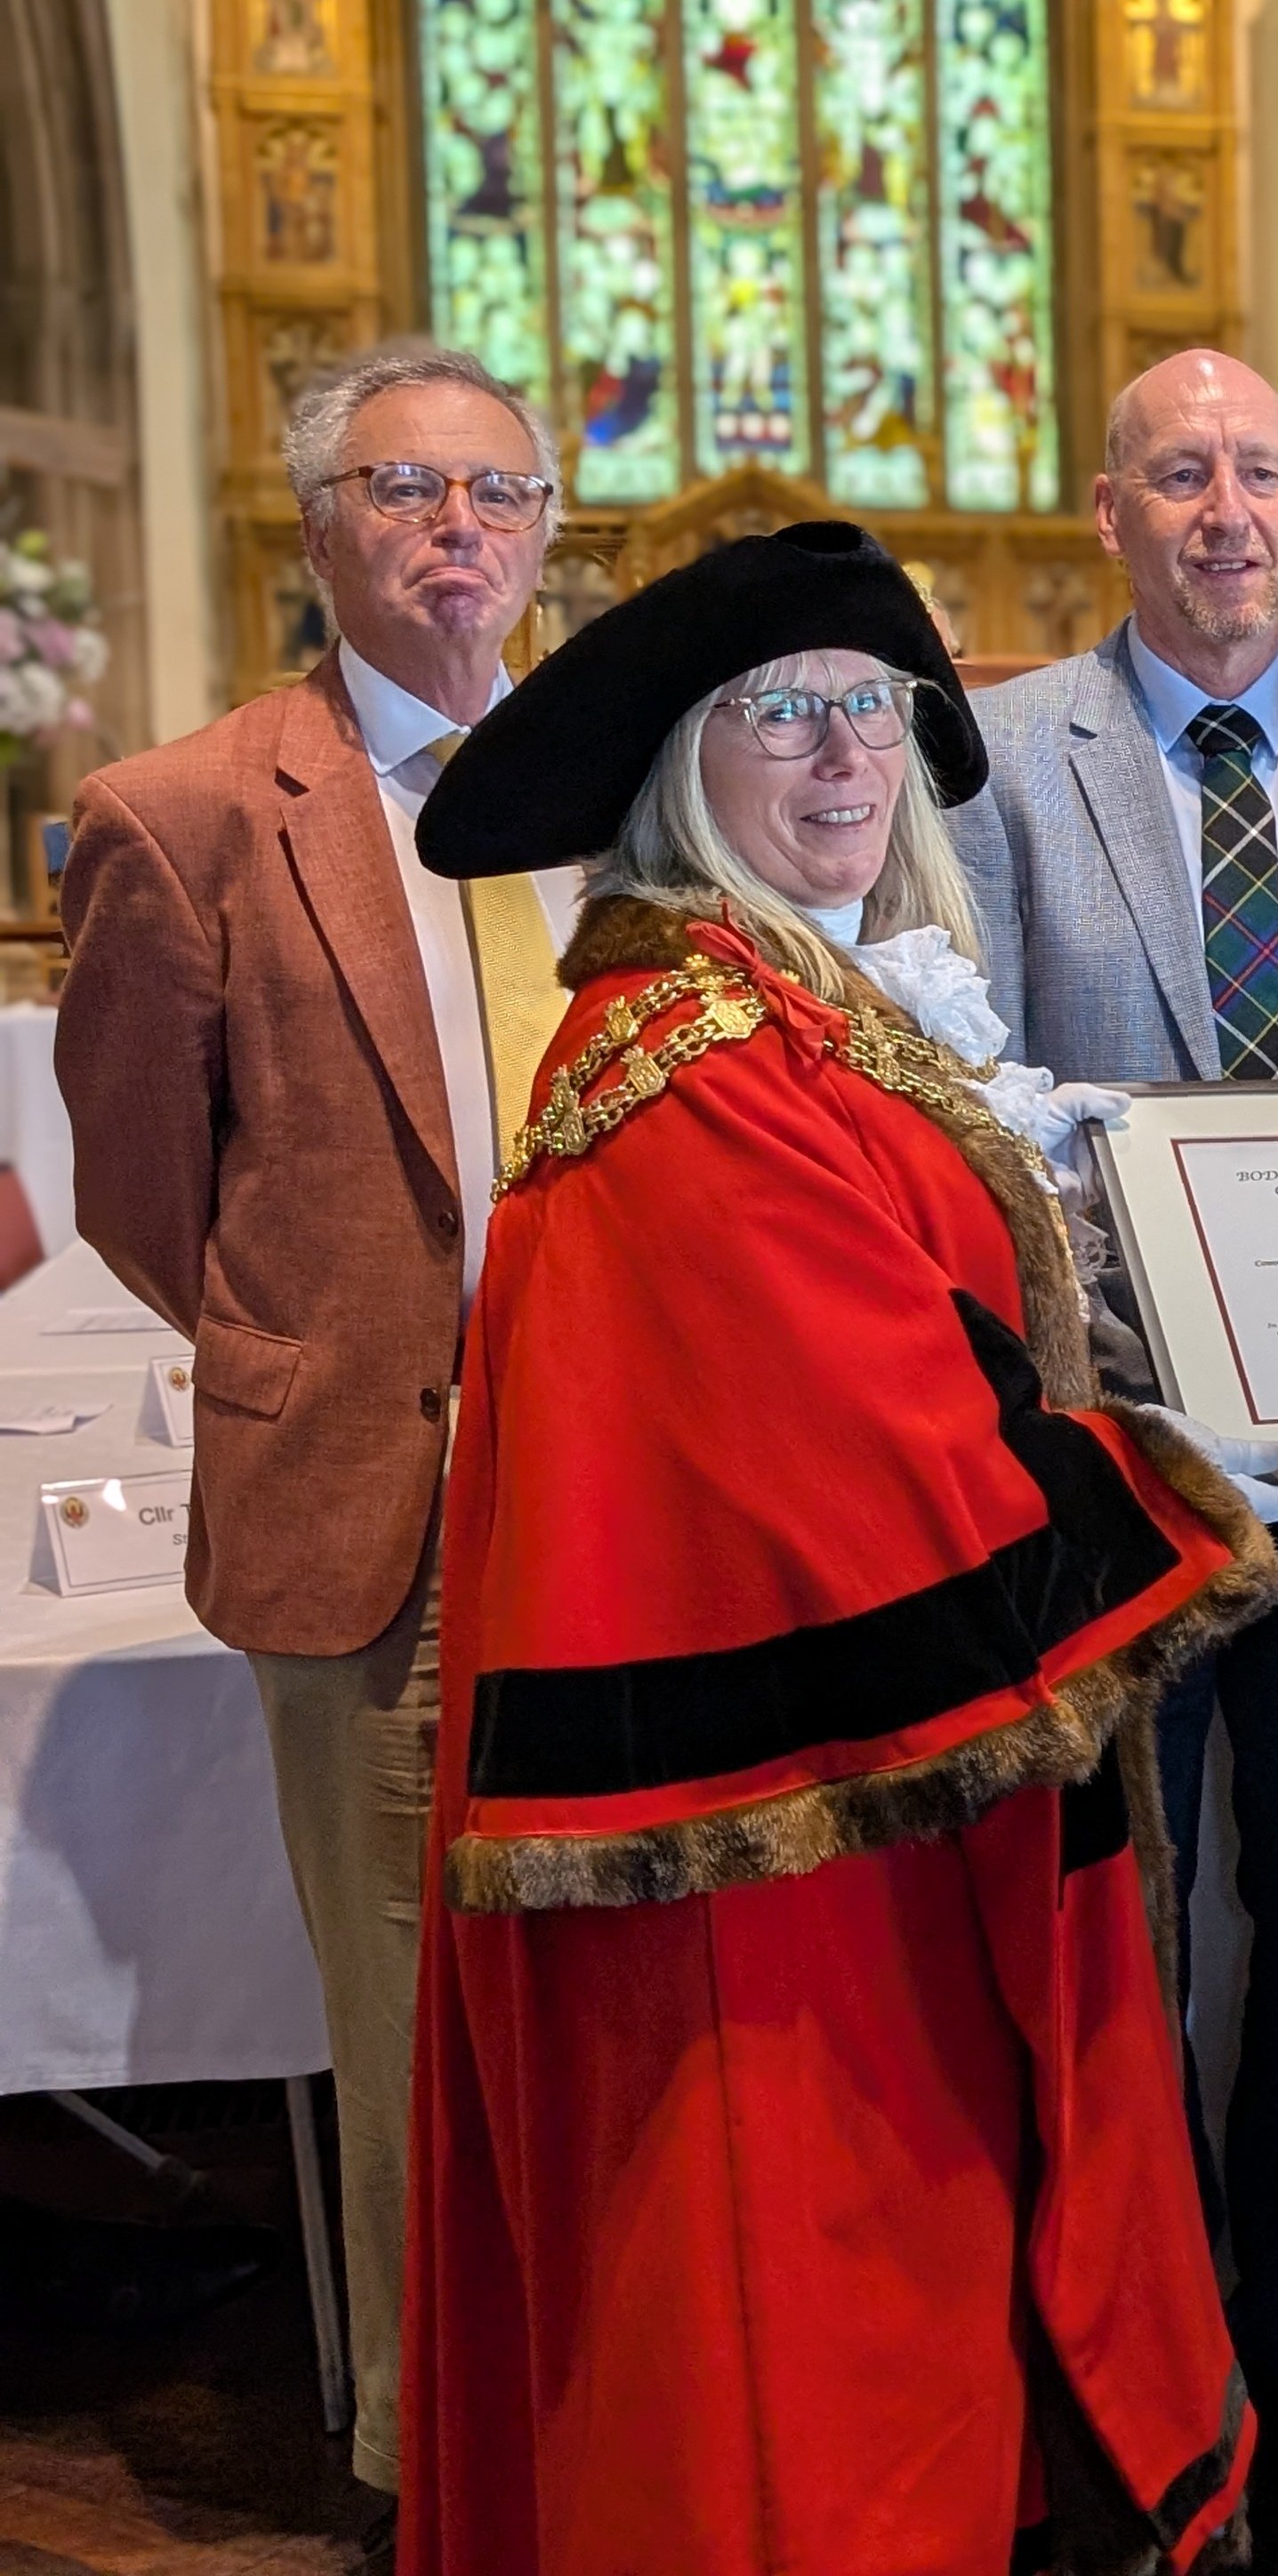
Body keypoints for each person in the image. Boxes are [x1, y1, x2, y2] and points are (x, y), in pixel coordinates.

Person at [398, 520, 1278, 2574]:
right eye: (780, 712)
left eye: (872, 711)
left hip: (857, 1802)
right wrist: (1157, 1486)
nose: (842, 757)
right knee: (791, 2339)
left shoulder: (792, 1005)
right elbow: (855, 1441)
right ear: (681, 767)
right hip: (768, 1870)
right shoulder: (689, 1057)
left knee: (893, 2317)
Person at [951, 344, 1278, 2495]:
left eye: (1258, 470)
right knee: (1120, 1916)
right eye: (1179, 473)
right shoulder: (1000, 758)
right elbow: (974, 1103)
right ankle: (1130, 2332)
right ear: (1112, 514)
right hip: (1112, 1454)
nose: (1224, 510)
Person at [52, 340, 575, 2532]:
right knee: (413, 2010)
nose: (456, 527)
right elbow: (137, 1186)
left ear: (546, 536)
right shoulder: (185, 812)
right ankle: (432, 2467)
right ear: (319, 529)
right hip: (384, 1489)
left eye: (496, 491)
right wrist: (327, 1343)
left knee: (593, 1992)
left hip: (622, 1483)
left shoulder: (621, 798)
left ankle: (593, 2430)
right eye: (403, 488)